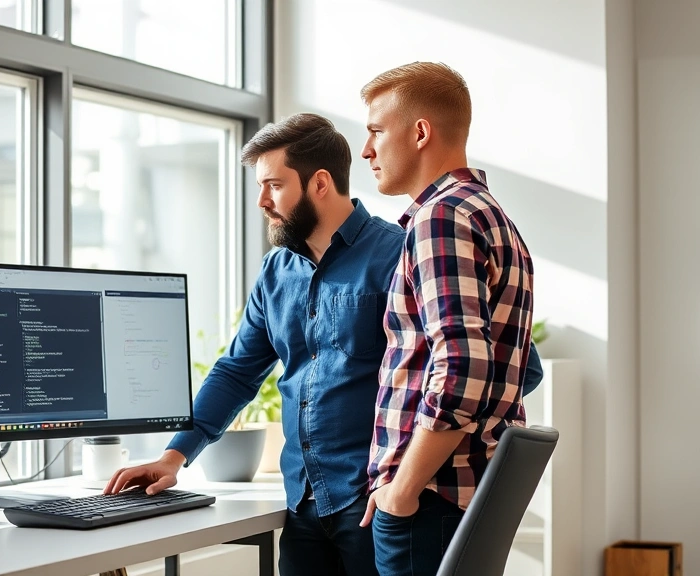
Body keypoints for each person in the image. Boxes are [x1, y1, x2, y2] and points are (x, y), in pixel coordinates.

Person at [105, 112, 542, 576]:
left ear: (318, 183)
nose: (261, 201)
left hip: (381, 502)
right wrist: (175, 457)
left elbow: (514, 366)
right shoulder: (276, 273)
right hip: (303, 503)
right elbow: (236, 372)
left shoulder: (400, 250)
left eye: (274, 185)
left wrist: (416, 473)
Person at [356, 62, 537, 576]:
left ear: (420, 132)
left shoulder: (442, 218)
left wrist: (402, 489)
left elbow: (463, 366)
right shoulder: (489, 215)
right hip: (454, 497)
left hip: (429, 499)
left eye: (374, 131)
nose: (366, 150)